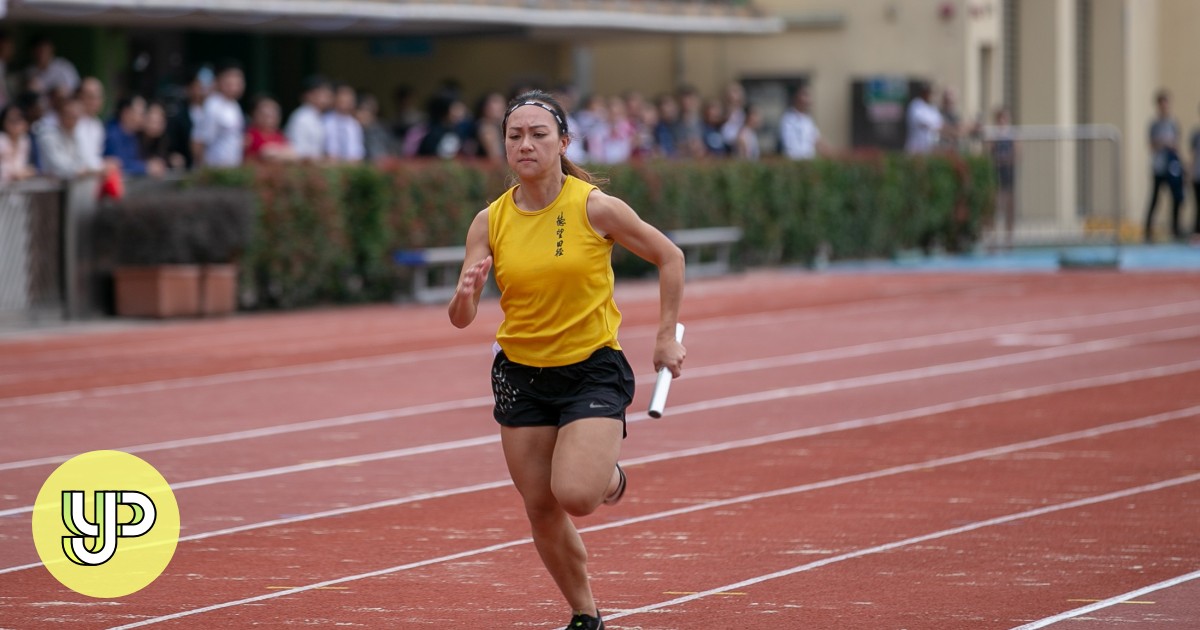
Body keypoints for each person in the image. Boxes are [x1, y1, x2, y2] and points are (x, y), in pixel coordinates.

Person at [447, 90, 685, 630]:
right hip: (520, 374)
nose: (525, 144)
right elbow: (461, 317)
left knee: (576, 494)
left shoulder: (593, 206)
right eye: (514, 136)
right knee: (541, 507)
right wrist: (465, 293)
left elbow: (670, 256)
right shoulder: (489, 221)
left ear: (563, 143)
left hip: (590, 366)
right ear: (503, 145)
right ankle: (585, 614)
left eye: (537, 134)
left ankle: (607, 475)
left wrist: (665, 336)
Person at [1144, 89, 1184, 242]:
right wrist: (1162, 142)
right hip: (1158, 167)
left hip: (1171, 167)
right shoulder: (1154, 125)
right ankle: (1147, 231)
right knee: (1155, 198)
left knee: (1176, 197)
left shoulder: (1173, 123)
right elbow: (1151, 144)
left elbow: (1176, 144)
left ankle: (1176, 230)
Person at [193, 60, 245, 168]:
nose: (235, 87)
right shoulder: (212, 105)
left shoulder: (235, 105)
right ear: (220, 81)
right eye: (230, 83)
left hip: (232, 168)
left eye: (238, 83)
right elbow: (200, 140)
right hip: (213, 169)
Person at [986, 107, 1017, 249]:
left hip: (1008, 173)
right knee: (994, 206)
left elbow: (1016, 153)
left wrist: (1005, 159)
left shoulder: (1012, 134)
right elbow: (988, 151)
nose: (1002, 121)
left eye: (1005, 118)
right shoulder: (993, 135)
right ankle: (992, 239)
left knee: (1009, 206)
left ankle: (1008, 239)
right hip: (995, 173)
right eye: (1000, 118)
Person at [779, 86, 828, 160]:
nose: (807, 100)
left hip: (808, 160)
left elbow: (816, 139)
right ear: (796, 99)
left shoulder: (808, 120)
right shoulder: (788, 119)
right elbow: (788, 144)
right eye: (804, 95)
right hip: (794, 161)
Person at [243, 95, 294, 162]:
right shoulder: (249, 135)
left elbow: (292, 154)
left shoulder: (280, 136)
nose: (269, 119)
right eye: (265, 114)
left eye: (273, 115)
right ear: (254, 114)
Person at [0, 104, 36, 183]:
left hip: (17, 189)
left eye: (18, 120)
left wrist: (24, 173)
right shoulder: (1, 140)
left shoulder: (25, 140)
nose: (15, 124)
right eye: (11, 120)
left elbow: (26, 168)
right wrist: (16, 174)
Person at [905, 81, 943, 155]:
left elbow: (940, 125)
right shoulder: (916, 105)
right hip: (917, 148)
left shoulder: (933, 108)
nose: (931, 95)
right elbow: (924, 124)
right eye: (929, 92)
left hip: (931, 148)